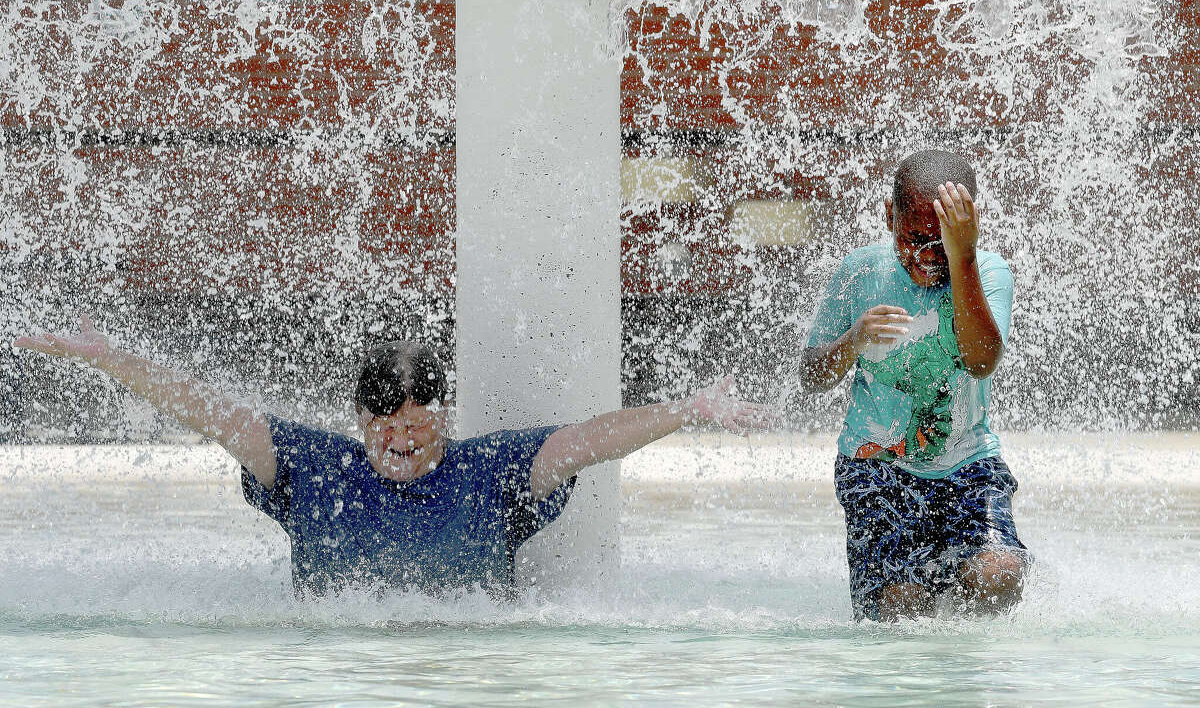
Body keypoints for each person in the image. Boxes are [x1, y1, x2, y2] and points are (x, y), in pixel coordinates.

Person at [15, 319, 770, 598]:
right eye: (383, 423)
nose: (399, 438)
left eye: (415, 422)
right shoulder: (316, 470)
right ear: (359, 421)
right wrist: (110, 359)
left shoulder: (489, 471)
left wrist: (690, 409)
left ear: (442, 418)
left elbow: (588, 440)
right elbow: (211, 413)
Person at [798, 149, 1028, 621]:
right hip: (875, 465)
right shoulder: (860, 273)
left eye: (941, 243)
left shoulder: (987, 271)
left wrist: (963, 256)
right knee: (900, 608)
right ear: (890, 217)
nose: (928, 258)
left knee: (998, 575)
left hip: (968, 462)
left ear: (967, 226)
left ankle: (958, 648)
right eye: (915, 239)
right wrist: (853, 339)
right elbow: (812, 376)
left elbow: (981, 361)